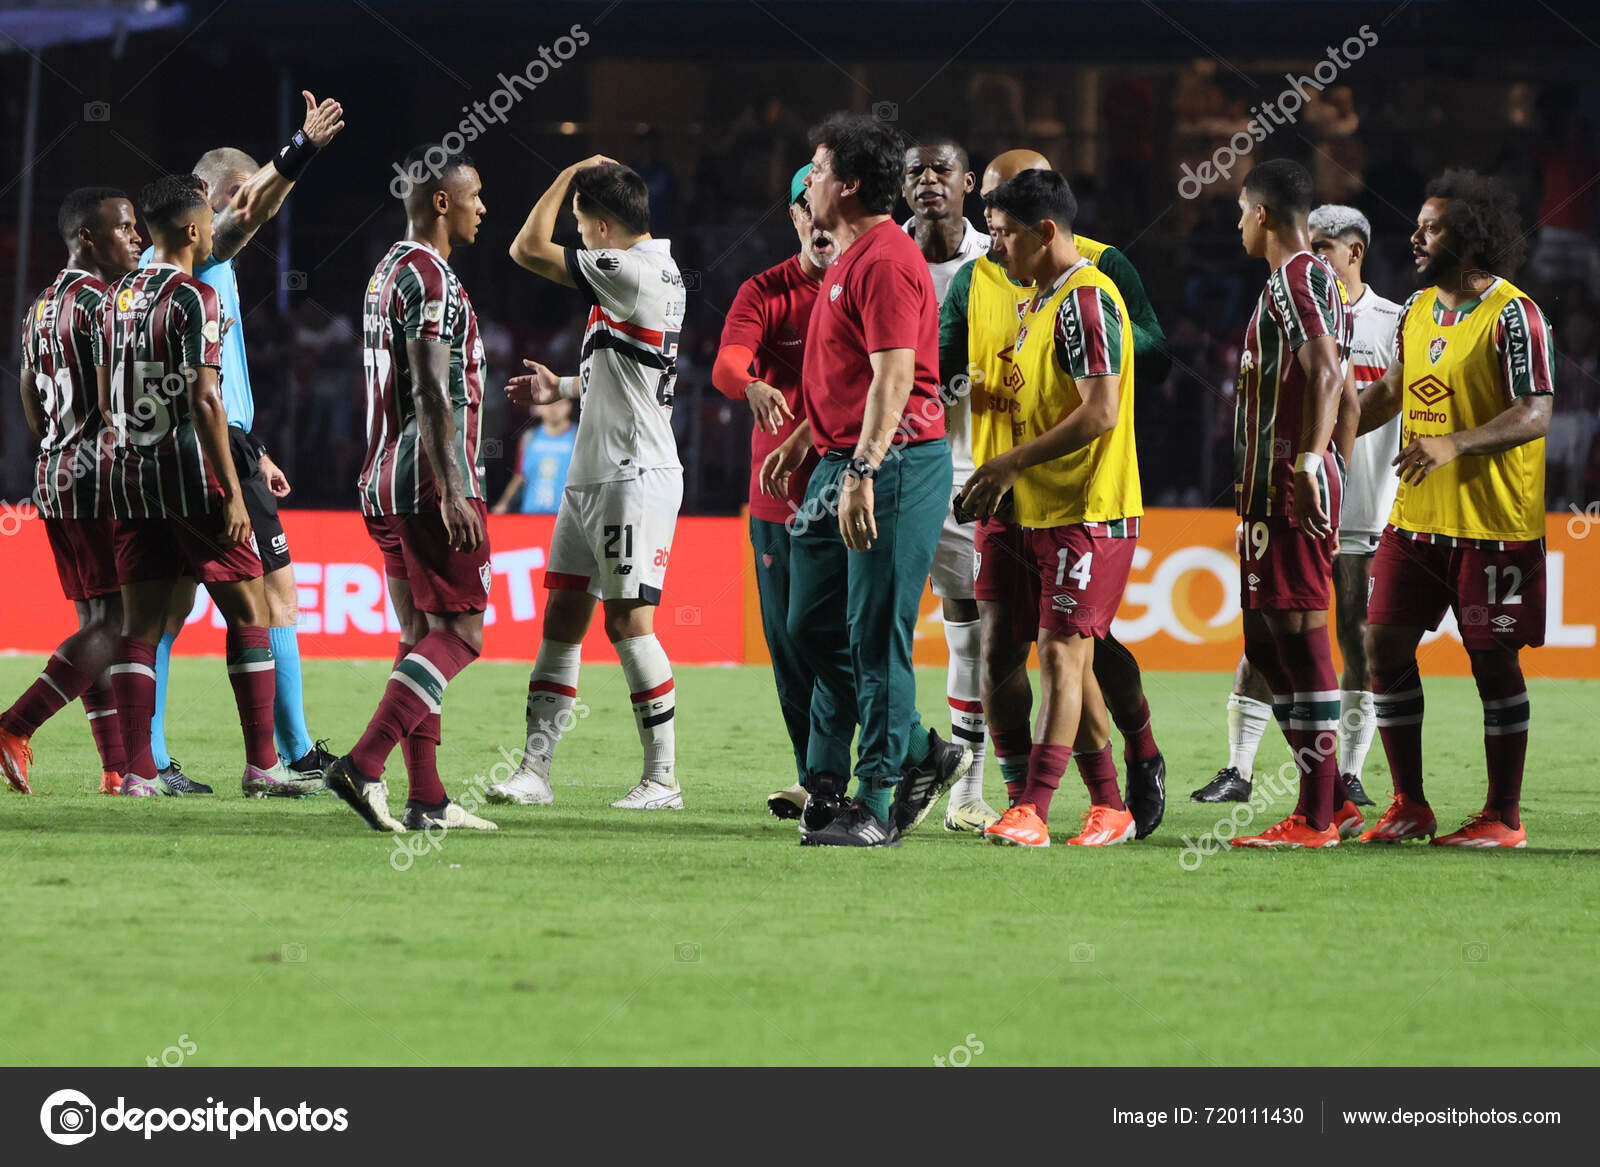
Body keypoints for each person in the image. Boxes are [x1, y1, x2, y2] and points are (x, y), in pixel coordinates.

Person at [939, 148, 1170, 838]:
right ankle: (1101, 805)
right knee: (1016, 652)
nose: (994, 246)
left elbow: (1101, 411)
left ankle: (1036, 809)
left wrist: (1010, 462)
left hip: (1085, 506)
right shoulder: (1024, 292)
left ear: (1044, 230)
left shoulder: (1088, 295)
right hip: (1018, 505)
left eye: (1004, 232)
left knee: (1065, 653)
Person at [760, 111, 972, 848]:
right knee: (811, 625)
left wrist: (862, 468)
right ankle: (919, 747)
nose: (808, 184)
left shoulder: (883, 260)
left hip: (891, 464)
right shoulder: (851, 257)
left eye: (818, 171)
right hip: (838, 460)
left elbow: (894, 376)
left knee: (876, 635)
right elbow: (849, 375)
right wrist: (804, 438)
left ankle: (877, 799)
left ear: (849, 185)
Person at [142, 92, 346, 795]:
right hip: (211, 449)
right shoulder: (198, 256)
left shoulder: (159, 270)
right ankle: (289, 753)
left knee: (165, 610)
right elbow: (249, 214)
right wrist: (300, 148)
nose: (250, 208)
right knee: (273, 600)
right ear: (206, 199)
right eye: (236, 194)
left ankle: (146, 760)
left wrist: (256, 448)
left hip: (183, 448)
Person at [94, 175, 317, 799]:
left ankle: (138, 771)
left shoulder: (116, 295)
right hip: (193, 480)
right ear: (193, 229)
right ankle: (263, 765)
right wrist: (233, 489)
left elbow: (106, 395)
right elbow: (208, 399)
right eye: (210, 226)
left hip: (131, 480)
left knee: (141, 627)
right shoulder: (197, 297)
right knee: (251, 612)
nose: (216, 235)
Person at [1356, 170, 1554, 848]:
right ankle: (1410, 804)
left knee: (1492, 660)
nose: (1415, 237)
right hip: (1416, 519)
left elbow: (1535, 412)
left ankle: (1504, 816)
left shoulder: (1515, 315)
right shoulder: (1416, 309)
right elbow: (1391, 391)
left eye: (1431, 228)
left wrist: (1455, 443)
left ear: (1468, 239)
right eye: (1417, 225)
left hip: (1493, 525)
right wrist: (1322, 437)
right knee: (1382, 644)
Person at [486, 158, 688, 810]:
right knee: (563, 618)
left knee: (628, 622)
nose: (577, 233)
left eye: (580, 222)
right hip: (594, 470)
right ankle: (534, 773)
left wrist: (568, 173)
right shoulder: (645, 274)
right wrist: (563, 387)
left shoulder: (632, 269)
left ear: (601, 226)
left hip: (633, 472)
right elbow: (631, 368)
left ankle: (663, 780)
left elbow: (525, 248)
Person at [1192, 204, 1400, 807]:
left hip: (1353, 504)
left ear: (1355, 251)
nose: (1316, 255)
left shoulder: (1389, 321)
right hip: (1290, 495)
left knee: (1350, 638)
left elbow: (1366, 400)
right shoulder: (1295, 300)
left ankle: (1340, 782)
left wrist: (1322, 466)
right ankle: (1248, 770)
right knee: (1267, 633)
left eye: (1326, 246)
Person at [324, 148, 496, 834]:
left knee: (419, 632)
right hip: (428, 482)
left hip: (383, 479)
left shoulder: (386, 271)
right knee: (462, 633)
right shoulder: (431, 277)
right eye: (475, 196)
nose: (483, 208)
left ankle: (427, 798)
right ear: (442, 202)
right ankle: (364, 764)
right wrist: (454, 488)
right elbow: (429, 387)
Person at [1224, 159, 1362, 849]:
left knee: (1303, 637)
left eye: (1241, 212)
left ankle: (1315, 817)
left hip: (1289, 487)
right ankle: (1331, 797)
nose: (1237, 225)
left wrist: (1312, 467)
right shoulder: (1304, 281)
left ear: (1265, 214)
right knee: (1263, 642)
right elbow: (1350, 397)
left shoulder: (1298, 277)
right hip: (1267, 492)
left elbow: (1330, 374)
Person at [0, 189, 143, 796]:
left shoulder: (39, 307)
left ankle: (115, 768)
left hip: (54, 472)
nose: (136, 238)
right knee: (117, 622)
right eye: (124, 227)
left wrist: (63, 441)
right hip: (98, 475)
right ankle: (14, 725)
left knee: (94, 622)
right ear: (87, 236)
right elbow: (117, 405)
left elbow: (29, 397)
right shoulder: (103, 304)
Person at [711, 163, 835, 822]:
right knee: (789, 647)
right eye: (804, 206)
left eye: (826, 205)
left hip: (852, 492)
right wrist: (752, 383)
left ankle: (892, 763)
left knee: (843, 641)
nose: (817, 219)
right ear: (793, 216)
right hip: (777, 501)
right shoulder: (764, 291)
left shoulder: (864, 287)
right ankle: (817, 780)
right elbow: (727, 365)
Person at [900, 136, 1000, 831]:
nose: (929, 180)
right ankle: (861, 774)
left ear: (969, 183)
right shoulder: (883, 253)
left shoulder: (997, 261)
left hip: (968, 466)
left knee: (970, 629)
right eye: (917, 171)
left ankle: (969, 790)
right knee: (872, 624)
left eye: (943, 170)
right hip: (894, 463)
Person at [491, 398, 577, 515]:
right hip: (531, 515)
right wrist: (503, 504)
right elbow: (519, 476)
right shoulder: (529, 437)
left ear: (569, 406)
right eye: (548, 404)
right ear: (538, 407)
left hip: (567, 517)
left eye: (559, 404)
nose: (553, 408)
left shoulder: (578, 437)